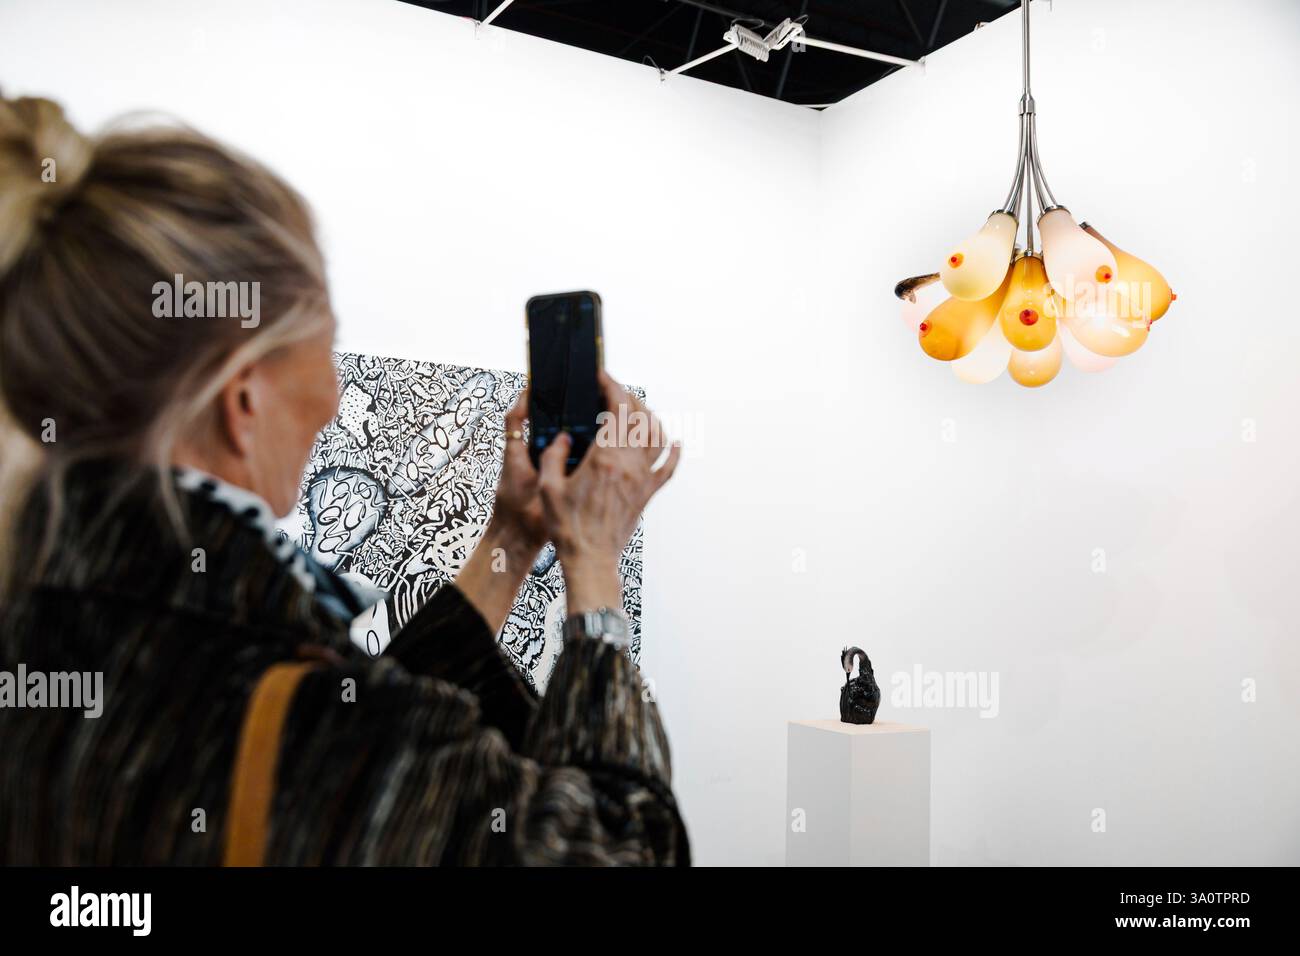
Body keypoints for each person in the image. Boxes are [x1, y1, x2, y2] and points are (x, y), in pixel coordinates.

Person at [0, 94, 686, 865]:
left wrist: (512, 537)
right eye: (324, 352)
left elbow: (364, 727)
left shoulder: (53, 633)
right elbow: (624, 849)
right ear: (244, 398)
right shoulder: (277, 709)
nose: (331, 403)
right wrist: (593, 568)